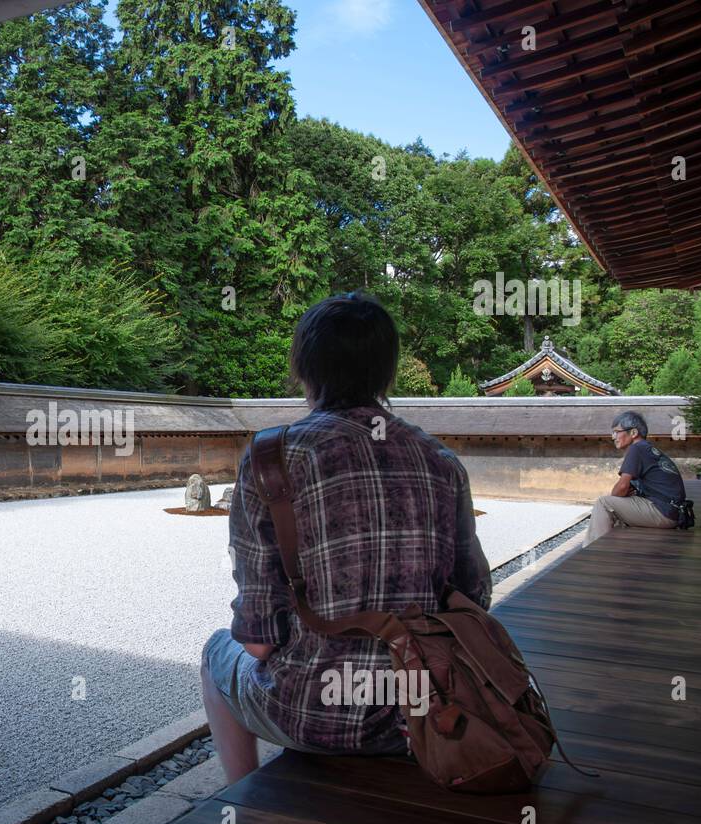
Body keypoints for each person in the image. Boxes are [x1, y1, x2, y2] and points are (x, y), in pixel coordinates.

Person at [200, 292, 491, 784]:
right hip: (421, 709)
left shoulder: (272, 458)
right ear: (387, 372)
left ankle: (242, 802)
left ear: (304, 368)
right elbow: (474, 598)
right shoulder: (440, 461)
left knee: (215, 654)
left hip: (310, 713)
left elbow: (257, 642)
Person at [585, 412, 687, 545]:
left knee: (604, 503)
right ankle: (614, 547)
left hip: (664, 512)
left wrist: (619, 493)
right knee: (617, 505)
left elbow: (621, 488)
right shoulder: (648, 449)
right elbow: (627, 489)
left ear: (633, 433)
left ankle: (595, 550)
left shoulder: (636, 449)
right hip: (673, 511)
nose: (613, 437)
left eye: (617, 432)